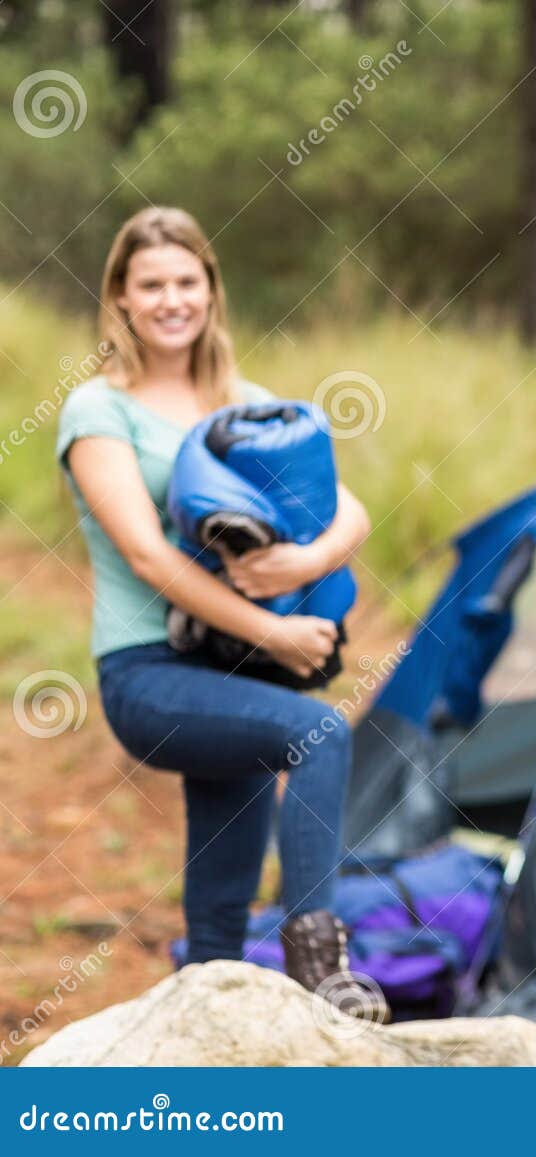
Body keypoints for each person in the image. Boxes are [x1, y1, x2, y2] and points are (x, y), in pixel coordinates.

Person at [56, 206, 386, 1021]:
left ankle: (209, 1067)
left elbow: (351, 511)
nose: (172, 299)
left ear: (210, 289)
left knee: (217, 921)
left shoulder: (250, 404)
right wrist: (276, 629)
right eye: (151, 284)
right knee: (319, 732)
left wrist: (305, 563)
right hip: (151, 677)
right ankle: (321, 965)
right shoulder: (99, 411)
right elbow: (150, 556)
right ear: (121, 299)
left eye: (186, 281)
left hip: (234, 672)